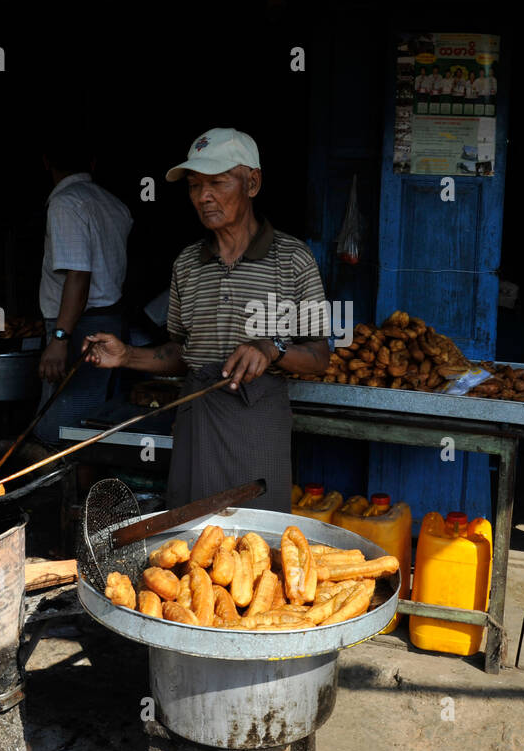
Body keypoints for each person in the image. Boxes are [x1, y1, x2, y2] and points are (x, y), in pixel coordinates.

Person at [84, 128, 331, 513]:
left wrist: (272, 349)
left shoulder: (293, 260)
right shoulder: (187, 264)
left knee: (256, 536)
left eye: (217, 182)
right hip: (196, 420)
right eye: (195, 185)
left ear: (252, 183)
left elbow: (320, 357)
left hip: (258, 422)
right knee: (191, 533)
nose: (203, 196)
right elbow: (182, 353)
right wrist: (127, 356)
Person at [34, 126, 133, 449]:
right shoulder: (114, 204)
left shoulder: (66, 204)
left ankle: (62, 481)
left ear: (46, 162)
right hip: (108, 321)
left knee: (62, 428)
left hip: (80, 327)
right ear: (92, 163)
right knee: (91, 418)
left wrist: (60, 339)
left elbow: (79, 275)